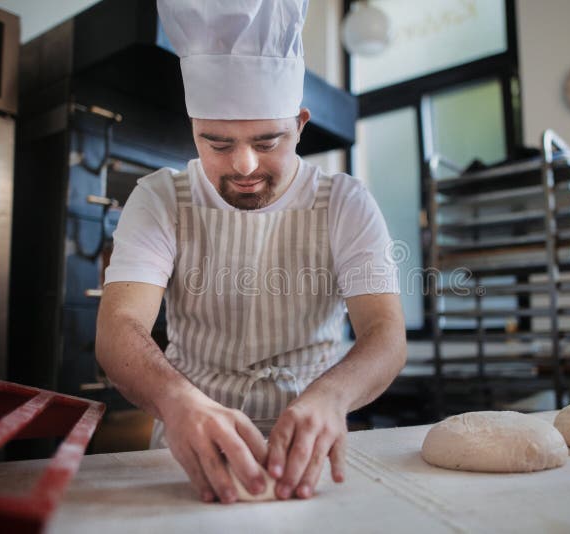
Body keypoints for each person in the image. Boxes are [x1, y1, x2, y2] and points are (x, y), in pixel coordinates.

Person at [95, 0, 406, 504]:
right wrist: (178, 404)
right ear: (194, 128)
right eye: (216, 144)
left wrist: (331, 397)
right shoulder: (159, 198)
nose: (243, 165)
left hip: (310, 440)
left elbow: (385, 333)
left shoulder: (345, 202)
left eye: (268, 141)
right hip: (186, 442)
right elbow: (118, 329)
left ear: (300, 124)